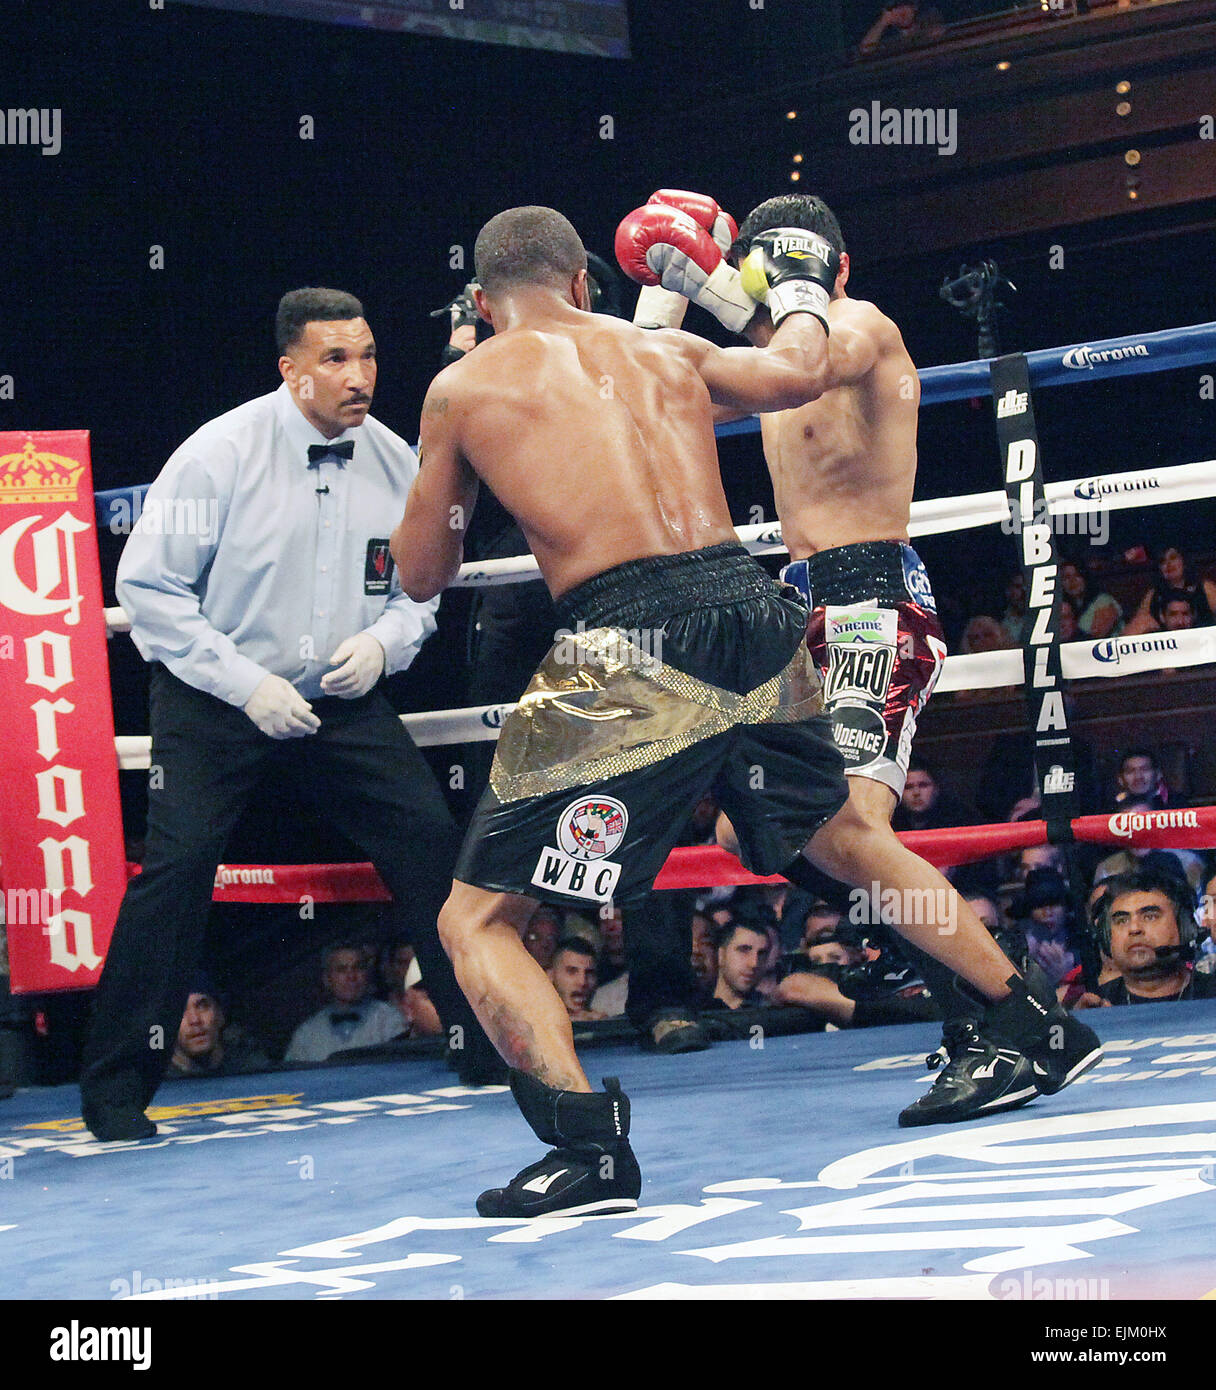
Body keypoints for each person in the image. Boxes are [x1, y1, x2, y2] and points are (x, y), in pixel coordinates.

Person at [391, 203, 1100, 1219]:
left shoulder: (464, 386)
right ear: (584, 283)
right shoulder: (659, 351)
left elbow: (422, 574)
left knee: (478, 918)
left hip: (629, 637)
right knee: (837, 833)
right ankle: (1028, 1020)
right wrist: (795, 286)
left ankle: (587, 1150)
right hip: (752, 611)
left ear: (481, 300)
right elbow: (791, 373)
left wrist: (454, 461)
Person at [659, 188, 1093, 1130]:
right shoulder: (780, 347)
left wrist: (765, 287)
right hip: (802, 609)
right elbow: (705, 381)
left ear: (835, 267)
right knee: (754, 833)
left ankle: (1019, 1024)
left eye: (797, 260)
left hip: (870, 602)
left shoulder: (857, 323)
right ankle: (935, 952)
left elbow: (811, 364)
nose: (781, 276)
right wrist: (683, 285)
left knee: (853, 828)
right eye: (765, 260)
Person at [78, 287, 501, 1142]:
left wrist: (386, 644)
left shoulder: (395, 460)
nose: (360, 376)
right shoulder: (217, 455)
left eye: (370, 355)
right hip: (215, 694)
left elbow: (418, 590)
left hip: (339, 700)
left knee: (428, 838)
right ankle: (115, 1087)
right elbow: (148, 592)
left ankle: (484, 1037)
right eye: (336, 359)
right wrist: (245, 684)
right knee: (179, 866)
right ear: (290, 368)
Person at [1073, 868, 1215, 1006]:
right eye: (1122, 921)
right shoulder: (1091, 1007)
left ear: (1185, 928)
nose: (1134, 929)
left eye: (1150, 917)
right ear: (1106, 937)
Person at [285, 944, 405, 1062]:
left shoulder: (390, 1020)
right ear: (327, 979)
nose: (351, 976)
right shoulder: (307, 1034)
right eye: (341, 969)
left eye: (358, 967)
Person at [166, 980, 270, 1078]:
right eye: (180, 1010)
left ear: (220, 1015)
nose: (195, 1020)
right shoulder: (157, 1084)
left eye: (203, 1006)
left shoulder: (252, 1068)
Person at [1122, 545, 1216, 635]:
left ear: (1184, 561)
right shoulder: (1153, 594)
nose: (1168, 564)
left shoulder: (1204, 588)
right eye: (1163, 561)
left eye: (1173, 558)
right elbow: (1138, 624)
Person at [705, 921, 771, 1011]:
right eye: (744, 950)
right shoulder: (693, 1007)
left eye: (761, 954)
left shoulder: (769, 1012)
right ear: (721, 955)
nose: (754, 963)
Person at [1058, 558, 1122, 639]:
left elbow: (1099, 634)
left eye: (1077, 575)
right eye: (1066, 577)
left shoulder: (1103, 601)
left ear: (1085, 577)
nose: (1072, 581)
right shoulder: (1063, 607)